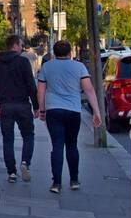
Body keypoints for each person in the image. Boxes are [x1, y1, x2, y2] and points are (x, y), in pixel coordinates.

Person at [36, 39, 103, 193]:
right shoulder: (79, 67)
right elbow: (89, 89)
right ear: (70, 52)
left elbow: (40, 90)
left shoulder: (47, 67)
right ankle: (74, 180)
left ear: (54, 53)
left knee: (57, 146)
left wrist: (42, 109)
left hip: (54, 110)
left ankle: (56, 183)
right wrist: (97, 112)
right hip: (73, 111)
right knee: (72, 145)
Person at [0, 33, 38, 183]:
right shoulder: (23, 62)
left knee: (8, 139)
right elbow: (31, 86)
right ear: (15, 45)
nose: (22, 47)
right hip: (22, 105)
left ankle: (11, 172)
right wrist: (36, 106)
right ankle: (25, 162)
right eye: (21, 44)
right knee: (28, 135)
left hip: (5, 106)